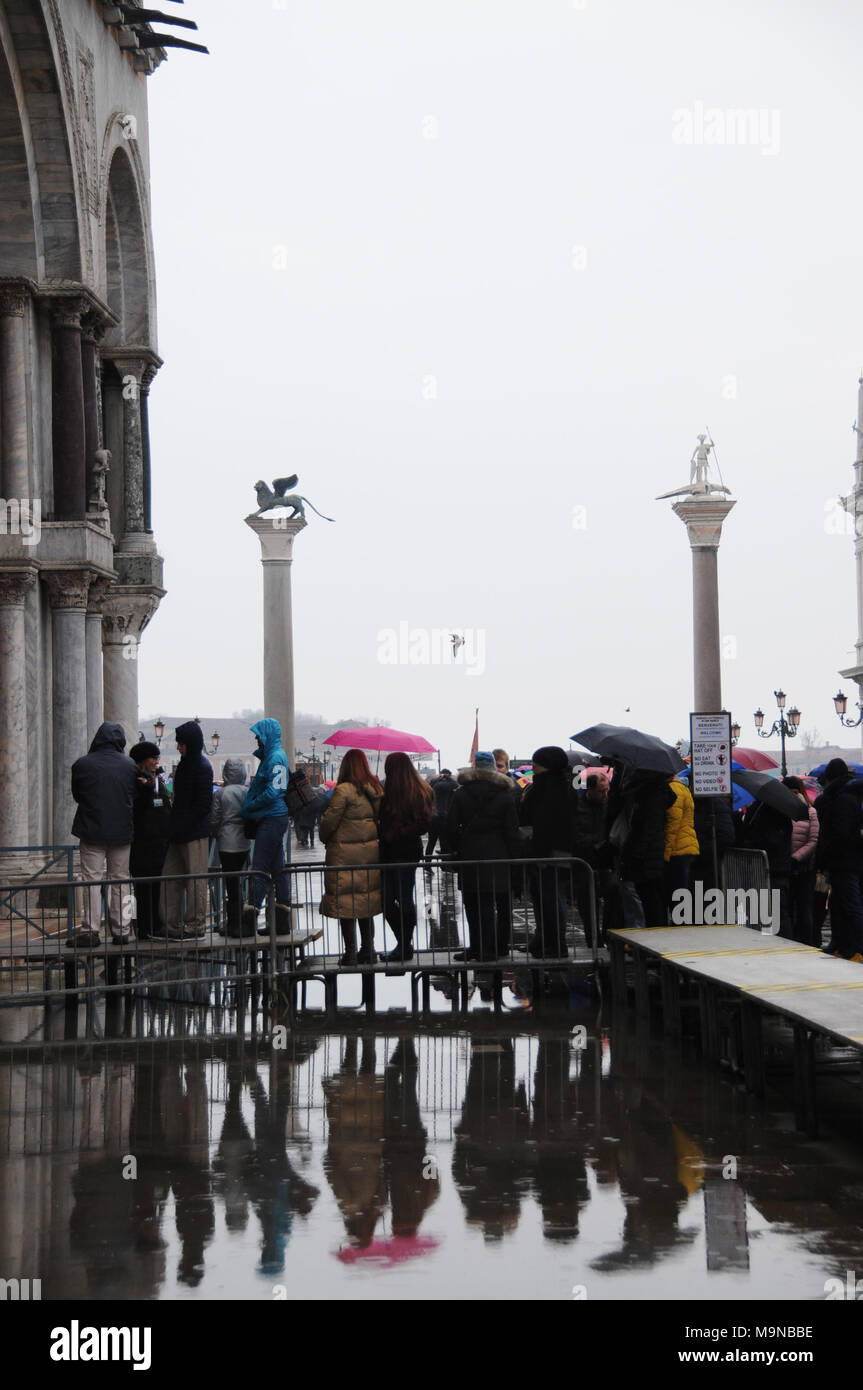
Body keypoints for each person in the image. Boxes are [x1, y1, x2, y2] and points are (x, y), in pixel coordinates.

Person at [447, 750, 521, 961]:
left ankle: (476, 947)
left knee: (473, 904)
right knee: (491, 904)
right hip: (498, 855)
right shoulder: (504, 794)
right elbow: (512, 831)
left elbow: (451, 827)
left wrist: (457, 849)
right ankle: (491, 949)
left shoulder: (461, 793)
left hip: (470, 854)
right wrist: (514, 858)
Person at [69, 721, 137, 946]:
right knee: (122, 880)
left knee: (91, 880)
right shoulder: (130, 765)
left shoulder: (82, 764)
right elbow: (133, 796)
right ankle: (123, 929)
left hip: (91, 829)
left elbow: (77, 796)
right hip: (122, 832)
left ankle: (91, 930)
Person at [319, 749, 383, 965]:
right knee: (366, 902)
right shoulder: (374, 789)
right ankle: (369, 950)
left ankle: (351, 952)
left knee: (346, 903)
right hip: (369, 854)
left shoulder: (343, 790)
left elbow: (330, 821)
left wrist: (323, 836)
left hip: (343, 855)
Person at [518, 745, 580, 957]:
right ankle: (544, 940)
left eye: (538, 762)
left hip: (550, 852)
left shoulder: (553, 788)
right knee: (541, 896)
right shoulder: (553, 786)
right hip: (552, 850)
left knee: (551, 898)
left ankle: (556, 945)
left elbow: (547, 824)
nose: (533, 765)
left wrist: (542, 853)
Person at [159, 722, 214, 939]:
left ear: (190, 743)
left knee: (196, 880)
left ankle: (195, 926)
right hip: (178, 833)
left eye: (181, 744)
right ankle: (170, 925)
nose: (178, 747)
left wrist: (183, 824)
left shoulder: (202, 767)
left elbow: (203, 805)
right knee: (169, 878)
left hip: (195, 833)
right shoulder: (183, 766)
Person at [378, 752, 434, 963]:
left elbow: (423, 823)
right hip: (388, 852)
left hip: (405, 850)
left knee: (403, 897)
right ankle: (403, 943)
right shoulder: (387, 790)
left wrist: (396, 833)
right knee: (387, 899)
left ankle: (404, 945)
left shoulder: (416, 792)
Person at [240, 718, 292, 937]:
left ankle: (248, 922)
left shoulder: (275, 757)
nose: (256, 739)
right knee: (277, 869)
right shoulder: (273, 756)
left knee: (259, 868)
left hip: (271, 818)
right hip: (274, 818)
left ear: (266, 736)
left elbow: (275, 791)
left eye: (259, 735)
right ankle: (280, 922)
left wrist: (251, 805)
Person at [814, 759, 863, 961]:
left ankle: (857, 947)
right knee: (838, 904)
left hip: (845, 861)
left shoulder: (842, 800)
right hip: (847, 860)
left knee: (850, 905)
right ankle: (841, 944)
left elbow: (838, 834)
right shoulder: (846, 797)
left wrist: (824, 856)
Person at [129, 742, 172, 940]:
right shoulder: (135, 781)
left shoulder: (156, 780)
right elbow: (136, 810)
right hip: (143, 843)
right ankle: (143, 928)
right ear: (142, 760)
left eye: (157, 757)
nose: (156, 761)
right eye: (152, 757)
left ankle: (156, 925)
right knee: (141, 890)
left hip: (159, 843)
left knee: (156, 888)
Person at [741, 798, 793, 938]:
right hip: (769, 868)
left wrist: (752, 840)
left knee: (778, 910)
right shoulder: (761, 810)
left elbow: (773, 840)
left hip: (775, 868)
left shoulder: (774, 812)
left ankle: (784, 942)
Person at [211, 758, 251, 936]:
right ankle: (241, 919)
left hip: (226, 842)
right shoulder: (247, 792)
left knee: (231, 883)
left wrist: (214, 832)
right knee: (240, 882)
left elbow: (214, 819)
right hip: (244, 842)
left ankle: (233, 923)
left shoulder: (220, 793)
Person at [572, 772, 609, 945]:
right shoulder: (578, 807)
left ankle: (608, 937)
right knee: (587, 904)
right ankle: (593, 939)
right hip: (585, 861)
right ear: (590, 790)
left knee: (612, 901)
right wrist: (596, 842)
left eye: (607, 790)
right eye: (601, 791)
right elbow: (577, 836)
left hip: (605, 861)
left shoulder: (608, 805)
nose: (605, 795)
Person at [783, 776, 819, 945]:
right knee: (788, 907)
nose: (793, 796)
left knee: (804, 908)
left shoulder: (811, 812)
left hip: (804, 868)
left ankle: (807, 942)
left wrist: (796, 858)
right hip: (786, 867)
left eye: (796, 792)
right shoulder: (781, 811)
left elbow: (813, 840)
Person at [664, 775, 699, 913]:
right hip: (686, 845)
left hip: (678, 848)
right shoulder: (682, 788)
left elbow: (673, 823)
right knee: (682, 893)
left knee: (678, 895)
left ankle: (681, 928)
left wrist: (666, 853)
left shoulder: (674, 789)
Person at [425, 768, 458, 861]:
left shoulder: (434, 784)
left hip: (433, 816)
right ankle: (445, 864)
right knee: (444, 841)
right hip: (443, 817)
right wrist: (447, 777)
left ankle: (427, 864)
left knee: (431, 842)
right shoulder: (449, 785)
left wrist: (439, 778)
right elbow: (455, 784)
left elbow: (430, 785)